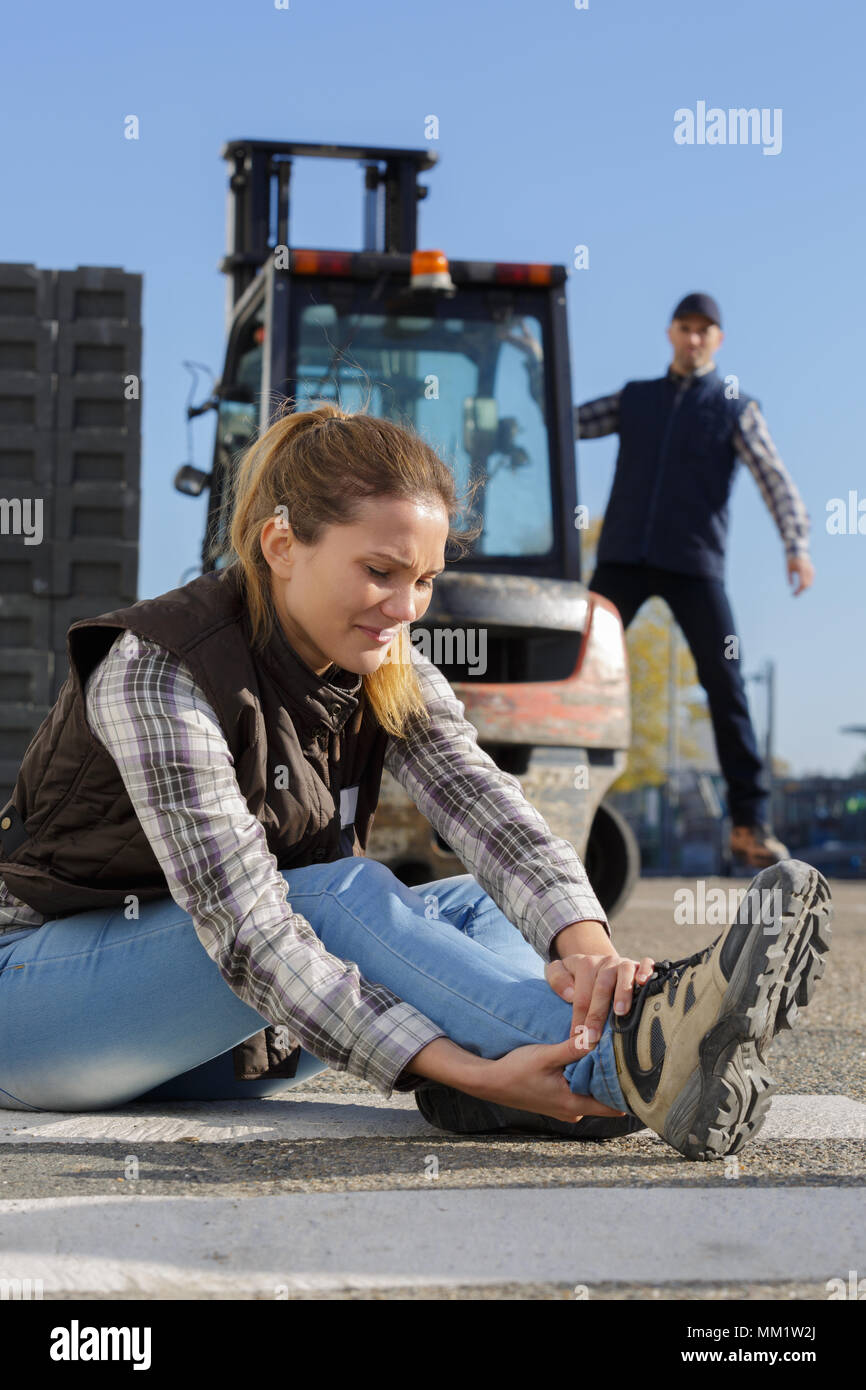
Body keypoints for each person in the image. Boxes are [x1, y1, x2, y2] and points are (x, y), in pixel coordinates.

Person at [0, 405, 832, 1160]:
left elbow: (489, 811)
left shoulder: (387, 665)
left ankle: (580, 1052)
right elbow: (250, 931)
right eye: (380, 571)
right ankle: (624, 1064)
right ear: (281, 545)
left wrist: (594, 955)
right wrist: (460, 1067)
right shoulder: (157, 668)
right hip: (40, 1018)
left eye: (425, 579)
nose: (406, 606)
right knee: (332, 898)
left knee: (471, 902)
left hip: (219, 1041)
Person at [576, 293, 814, 869]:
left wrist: (796, 545)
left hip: (695, 564)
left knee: (726, 684)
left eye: (705, 330)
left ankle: (749, 824)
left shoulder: (735, 407)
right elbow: (567, 422)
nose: (694, 338)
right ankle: (540, 797)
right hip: (624, 559)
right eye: (685, 328)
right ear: (670, 333)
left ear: (718, 340)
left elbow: (774, 479)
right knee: (574, 665)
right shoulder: (635, 400)